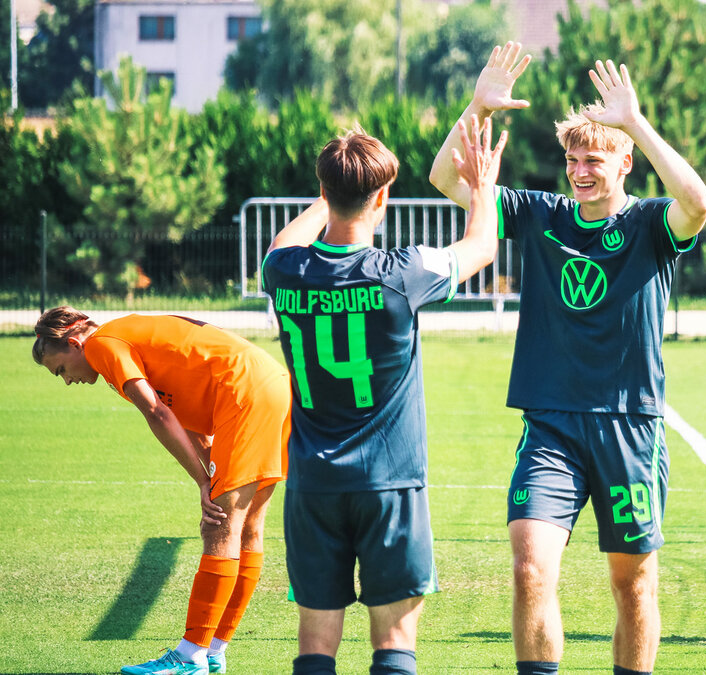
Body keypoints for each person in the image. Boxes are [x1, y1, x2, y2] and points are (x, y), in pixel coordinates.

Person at [429, 43, 706, 675]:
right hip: (551, 424)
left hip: (629, 428)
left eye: (595, 158)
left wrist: (634, 121)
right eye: (572, 159)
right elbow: (448, 180)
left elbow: (698, 204)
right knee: (530, 570)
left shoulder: (650, 225)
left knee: (633, 586)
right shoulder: (540, 216)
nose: (580, 170)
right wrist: (477, 105)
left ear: (624, 162)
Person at [261, 118, 506, 675]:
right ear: (383, 198)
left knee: (315, 644)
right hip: (389, 480)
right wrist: (484, 184)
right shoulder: (403, 273)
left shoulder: (285, 270)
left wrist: (332, 191)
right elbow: (482, 245)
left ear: (324, 194)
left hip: (312, 482)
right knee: (395, 641)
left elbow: (284, 242)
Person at [32, 307, 290, 674]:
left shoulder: (102, 344)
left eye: (60, 370)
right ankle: (213, 650)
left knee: (219, 526)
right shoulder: (122, 339)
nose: (67, 380)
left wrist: (205, 483)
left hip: (243, 393)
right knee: (246, 528)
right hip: (269, 382)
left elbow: (157, 413)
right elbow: (187, 417)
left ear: (75, 344)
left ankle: (190, 656)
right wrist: (208, 476)